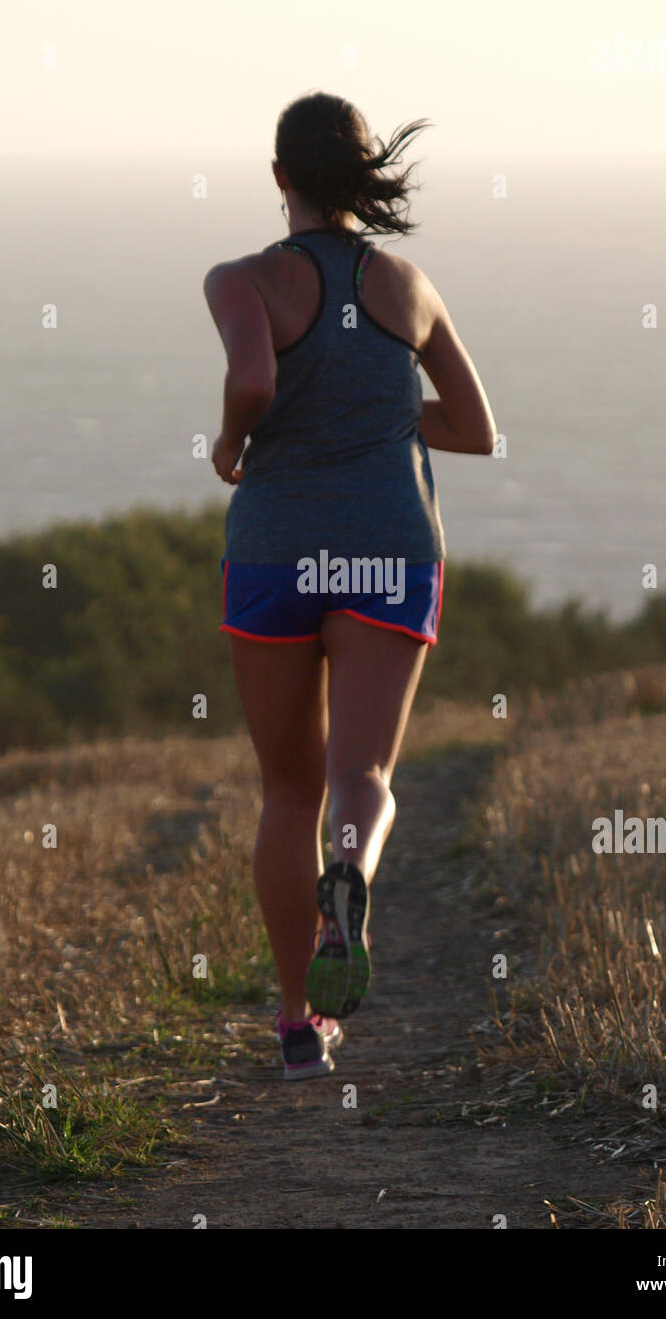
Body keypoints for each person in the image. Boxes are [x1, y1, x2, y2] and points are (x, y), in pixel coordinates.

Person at [203, 91, 495, 1081]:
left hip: (277, 549)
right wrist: (378, 415)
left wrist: (234, 441)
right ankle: (351, 876)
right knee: (360, 779)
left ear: (279, 177)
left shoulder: (241, 281)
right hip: (388, 546)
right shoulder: (410, 284)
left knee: (288, 787)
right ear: (363, 178)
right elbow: (476, 426)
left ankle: (297, 1023)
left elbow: (252, 381)